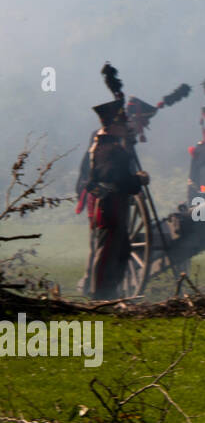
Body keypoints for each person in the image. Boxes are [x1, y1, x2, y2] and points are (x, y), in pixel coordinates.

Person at [84, 99, 150, 300]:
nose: (125, 128)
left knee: (120, 249)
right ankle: (101, 294)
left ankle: (110, 292)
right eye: (121, 124)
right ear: (113, 126)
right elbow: (119, 180)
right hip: (110, 204)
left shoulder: (103, 146)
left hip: (112, 203)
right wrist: (139, 179)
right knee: (107, 251)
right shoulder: (111, 150)